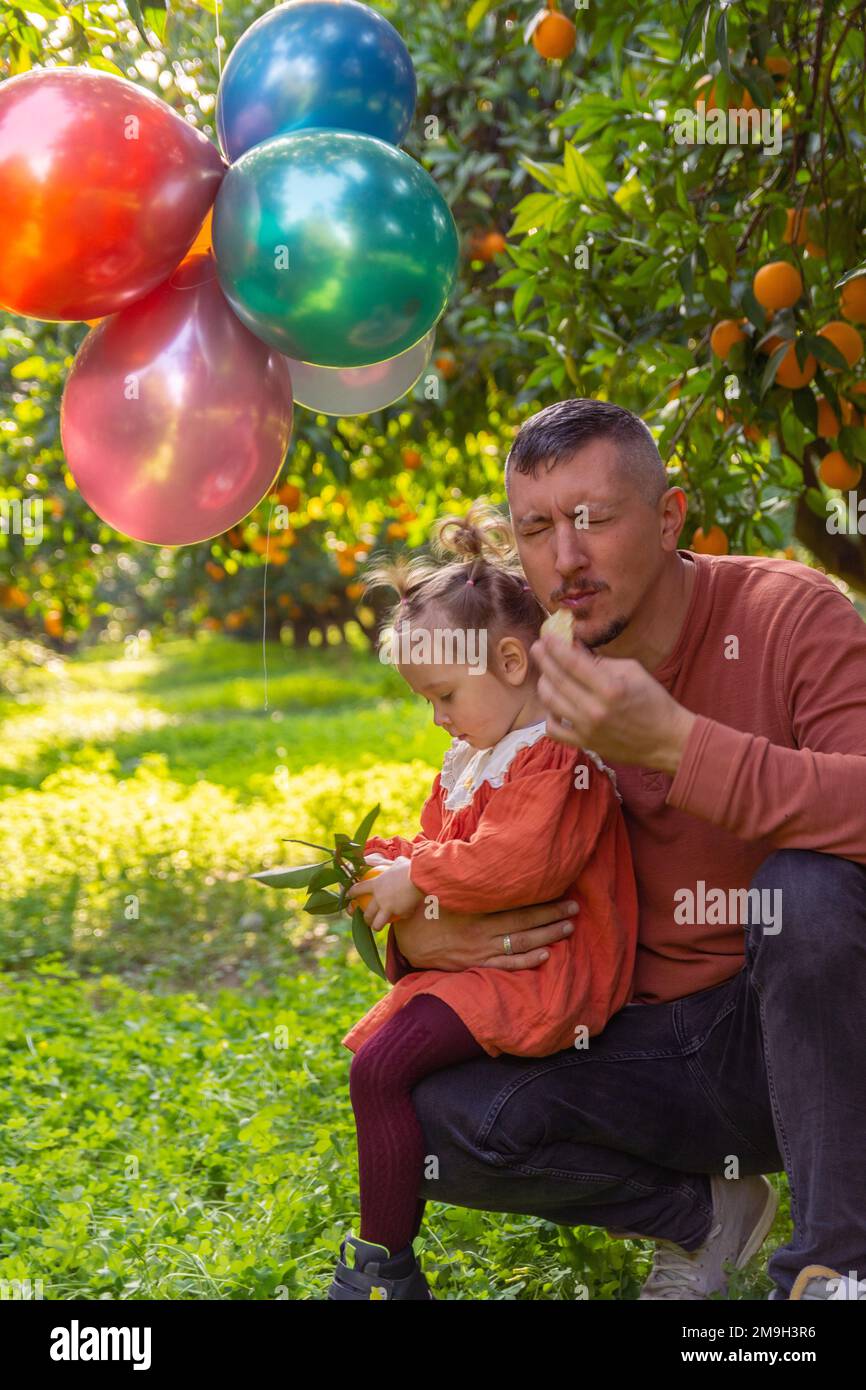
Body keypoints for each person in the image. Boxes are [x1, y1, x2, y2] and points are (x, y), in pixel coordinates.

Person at [383, 398, 866, 1302]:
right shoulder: (529, 676)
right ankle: (703, 1211)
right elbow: (464, 845)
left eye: (593, 519)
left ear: (671, 515)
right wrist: (418, 937)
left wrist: (678, 746)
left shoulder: (786, 614)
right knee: (424, 1111)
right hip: (634, 1044)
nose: (566, 558)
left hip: (796, 1031)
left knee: (806, 892)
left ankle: (838, 1265)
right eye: (535, 529)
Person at [327, 501, 639, 1300]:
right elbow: (448, 846)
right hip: (504, 966)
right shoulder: (482, 758)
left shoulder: (557, 761)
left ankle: (383, 1270)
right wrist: (386, 862)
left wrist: (417, 882)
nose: (438, 721)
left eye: (442, 696)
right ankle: (384, 1261)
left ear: (509, 663)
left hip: (549, 972)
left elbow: (519, 863)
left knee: (382, 1069)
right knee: (379, 1068)